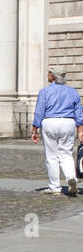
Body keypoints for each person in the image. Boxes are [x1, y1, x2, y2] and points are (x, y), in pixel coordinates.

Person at [31, 69, 83, 197]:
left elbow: (39, 112)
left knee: (52, 156)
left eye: (49, 73)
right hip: (68, 122)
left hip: (50, 122)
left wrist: (34, 130)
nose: (47, 74)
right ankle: (71, 177)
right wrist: (80, 130)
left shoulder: (45, 92)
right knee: (66, 153)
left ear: (53, 76)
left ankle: (55, 186)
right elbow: (79, 113)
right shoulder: (72, 91)